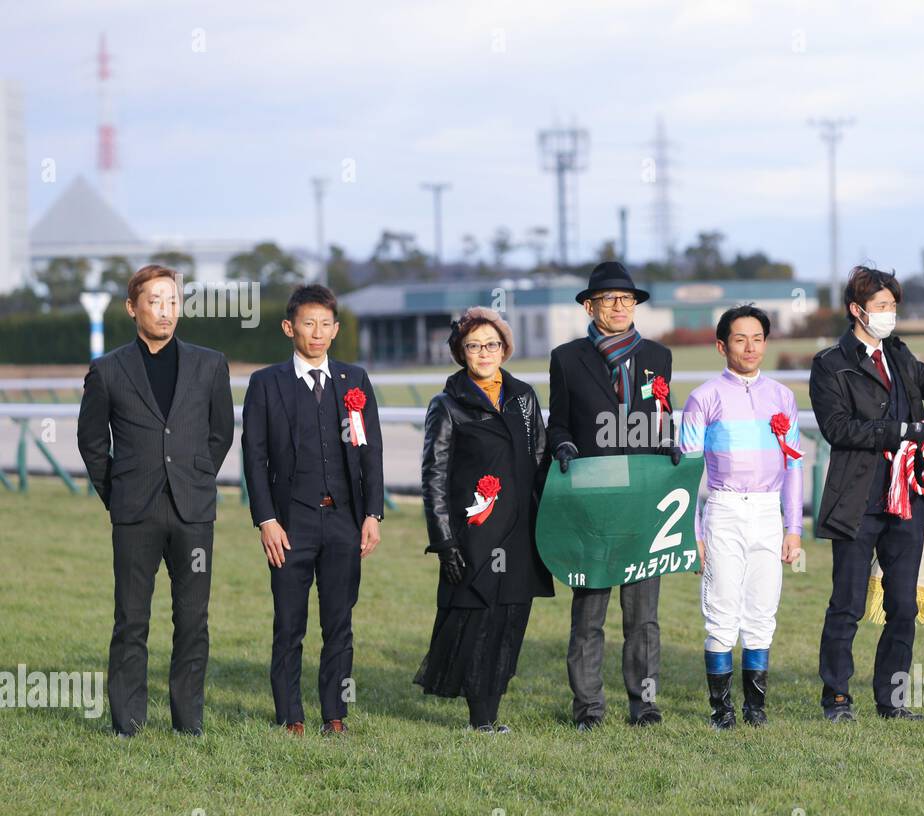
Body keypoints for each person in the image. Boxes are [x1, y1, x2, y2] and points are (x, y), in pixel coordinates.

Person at [76, 264, 234, 737]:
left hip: (193, 512)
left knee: (193, 620)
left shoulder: (210, 364)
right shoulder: (107, 370)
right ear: (132, 308)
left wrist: (197, 477)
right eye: (154, 301)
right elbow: (92, 444)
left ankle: (189, 722)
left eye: (172, 301)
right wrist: (117, 494)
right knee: (131, 620)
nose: (165, 311)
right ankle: (128, 722)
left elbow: (220, 433)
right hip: (134, 512)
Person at [809, 266, 924, 722]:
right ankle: (836, 697)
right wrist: (899, 431)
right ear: (857, 310)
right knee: (848, 605)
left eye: (893, 306)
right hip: (857, 502)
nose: (889, 313)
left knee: (902, 605)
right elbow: (838, 429)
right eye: (881, 307)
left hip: (908, 504)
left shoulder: (899, 355)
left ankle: (892, 699)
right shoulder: (829, 365)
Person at [241, 284, 385, 736]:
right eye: (308, 323)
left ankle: (335, 714)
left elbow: (371, 452)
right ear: (290, 328)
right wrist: (266, 521)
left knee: (339, 624)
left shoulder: (354, 380)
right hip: (290, 523)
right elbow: (253, 457)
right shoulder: (266, 384)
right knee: (289, 624)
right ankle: (290, 716)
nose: (317, 333)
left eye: (326, 324)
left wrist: (372, 515)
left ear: (336, 329)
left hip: (344, 520)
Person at [547, 260, 682, 729]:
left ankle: (644, 705)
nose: (621, 306)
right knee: (589, 616)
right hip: (592, 505)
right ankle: (588, 708)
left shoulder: (658, 357)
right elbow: (559, 420)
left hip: (644, 504)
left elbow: (663, 415)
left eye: (628, 299)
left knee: (643, 617)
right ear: (590, 305)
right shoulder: (565, 358)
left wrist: (668, 442)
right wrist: (561, 443)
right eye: (610, 300)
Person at [417, 307, 554, 732]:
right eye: (474, 346)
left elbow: (540, 460)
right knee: (477, 623)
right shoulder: (447, 405)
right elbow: (434, 477)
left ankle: (491, 713)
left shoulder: (524, 397)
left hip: (521, 533)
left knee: (510, 622)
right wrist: (444, 542)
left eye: (492, 345)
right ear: (461, 352)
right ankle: (481, 718)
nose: (484, 353)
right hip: (474, 535)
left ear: (505, 349)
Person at [679, 304, 802, 728]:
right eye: (739, 339)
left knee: (762, 613)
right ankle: (721, 711)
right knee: (722, 612)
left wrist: (794, 528)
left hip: (768, 511)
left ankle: (755, 709)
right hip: (724, 510)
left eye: (757, 338)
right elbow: (687, 473)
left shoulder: (783, 397)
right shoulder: (703, 398)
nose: (750, 347)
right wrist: (691, 533)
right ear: (721, 345)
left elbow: (794, 467)